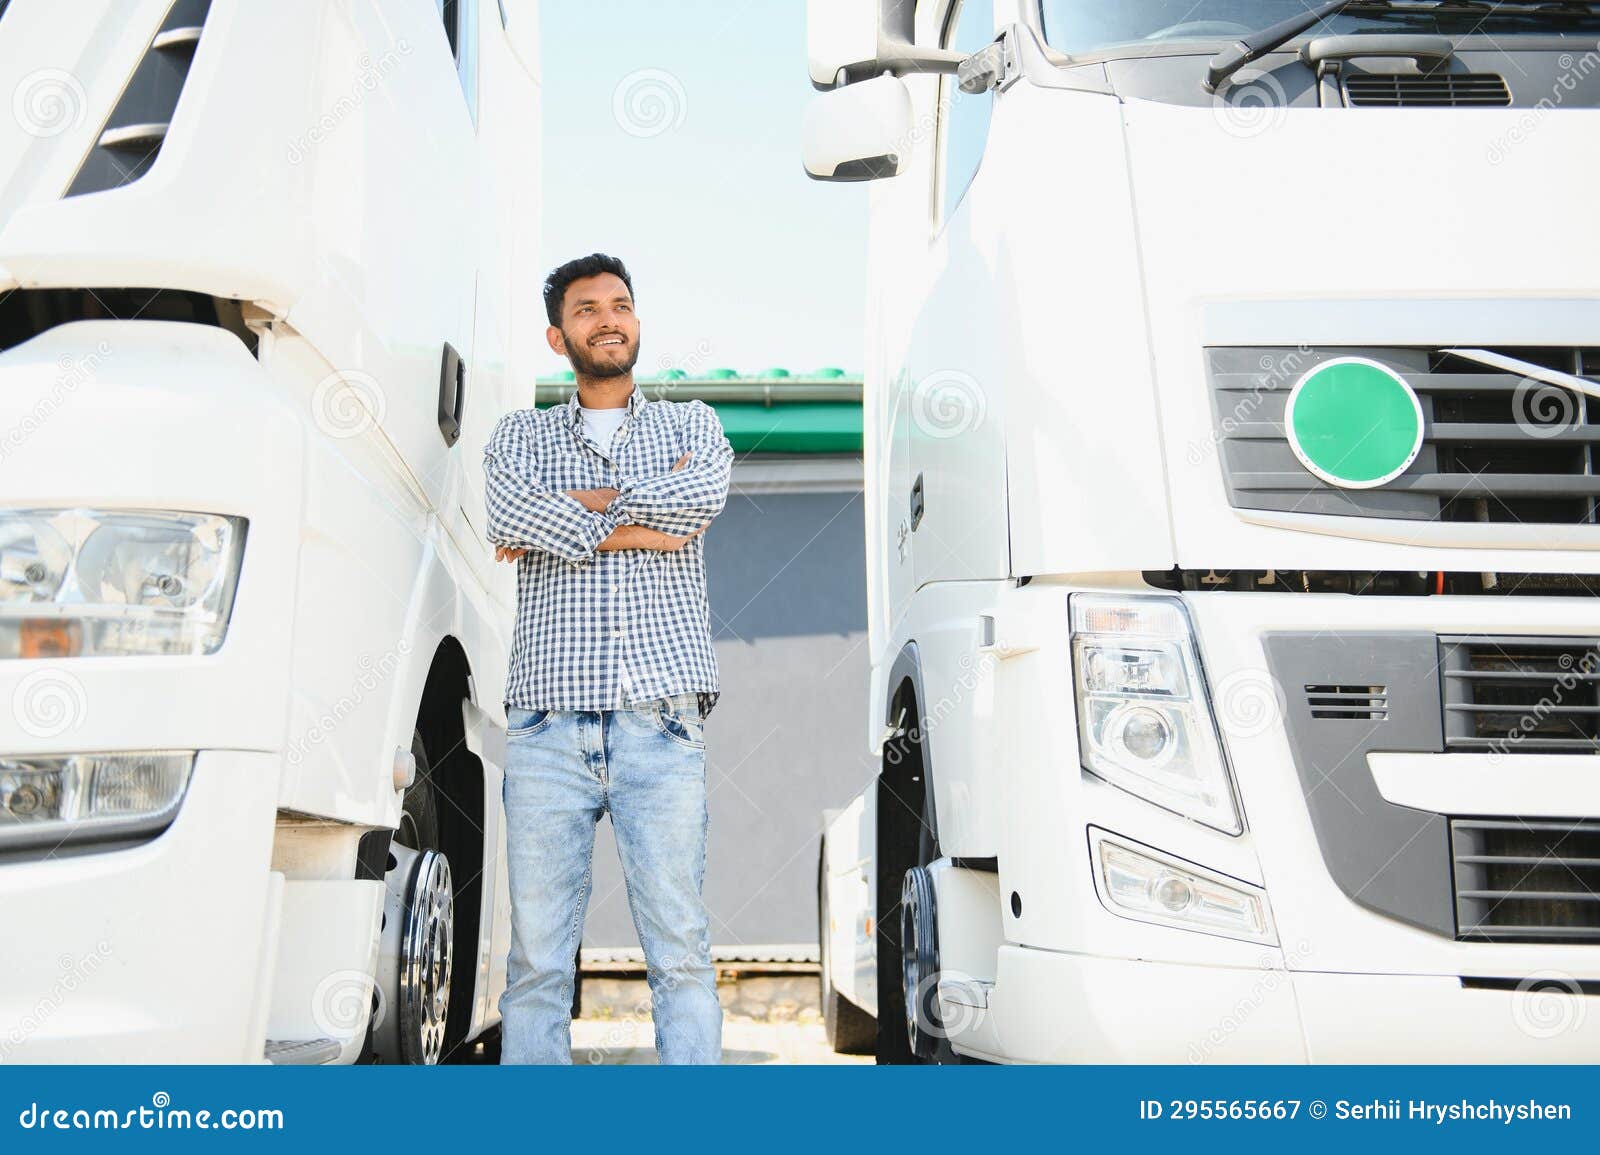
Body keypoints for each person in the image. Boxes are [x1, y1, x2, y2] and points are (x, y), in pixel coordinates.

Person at [482, 252, 731, 1064]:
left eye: (619, 303)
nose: (607, 318)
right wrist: (642, 511)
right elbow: (506, 515)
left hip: (661, 721)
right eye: (586, 309)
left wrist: (562, 520)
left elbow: (696, 504)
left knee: (682, 956)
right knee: (537, 965)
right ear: (559, 337)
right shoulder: (519, 434)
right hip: (546, 726)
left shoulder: (691, 424)